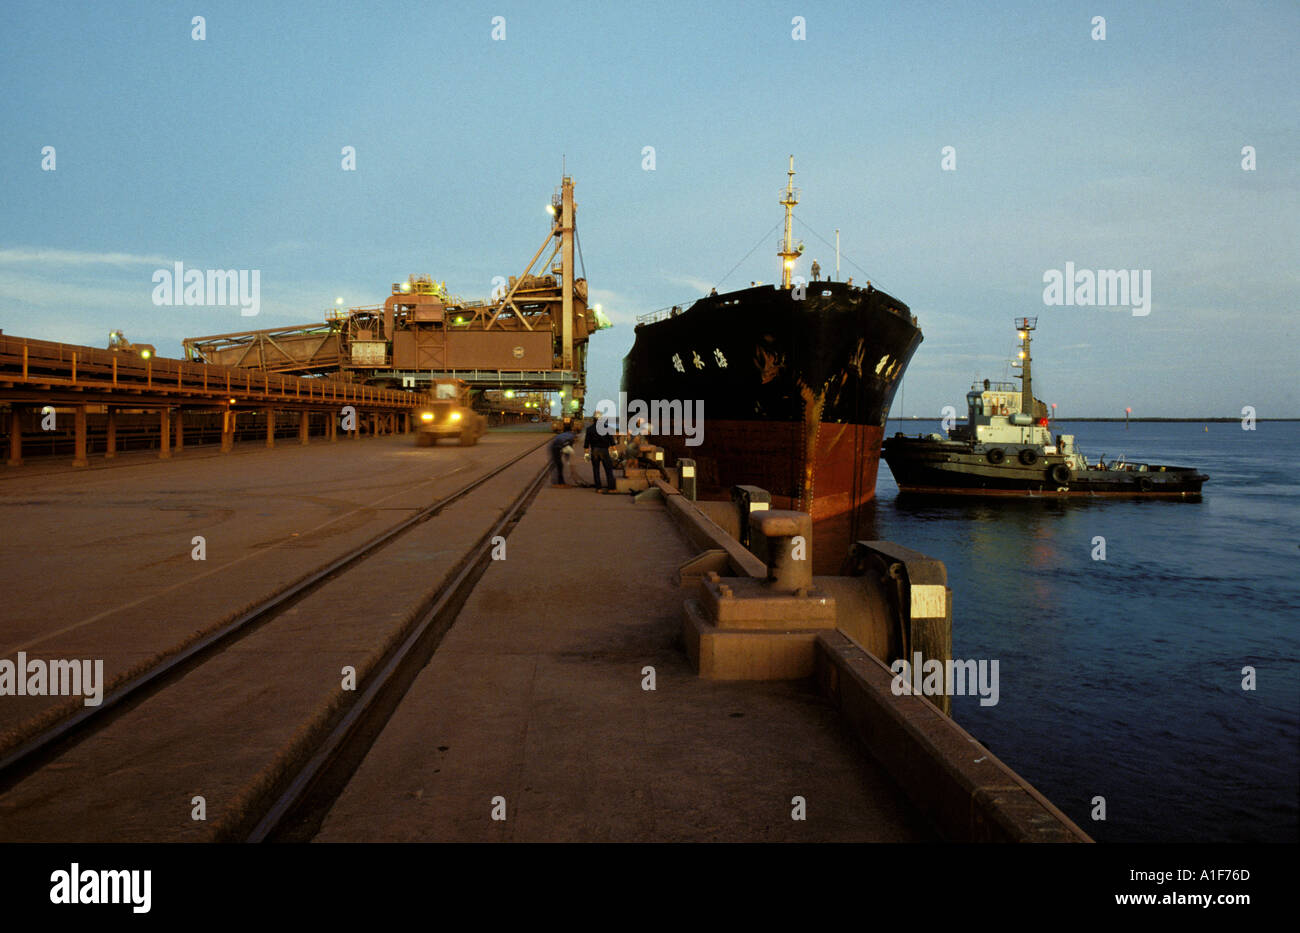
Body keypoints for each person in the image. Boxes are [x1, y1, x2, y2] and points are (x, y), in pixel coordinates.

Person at [584, 415, 617, 493]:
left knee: (596, 470)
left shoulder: (589, 429)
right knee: (608, 469)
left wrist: (586, 454)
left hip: (594, 451)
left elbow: (586, 443)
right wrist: (615, 451)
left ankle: (598, 488)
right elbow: (611, 441)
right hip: (604, 450)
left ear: (594, 419)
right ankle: (611, 488)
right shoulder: (607, 428)